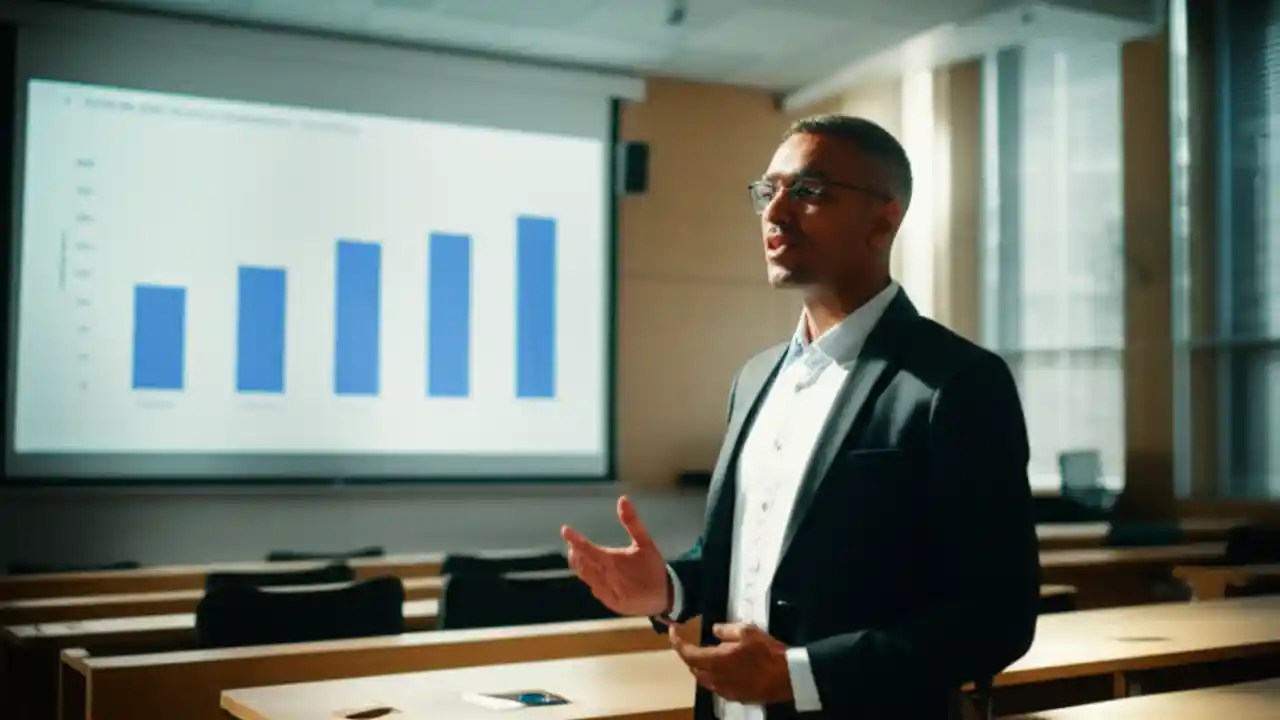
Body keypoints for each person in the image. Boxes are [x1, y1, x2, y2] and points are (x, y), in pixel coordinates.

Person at [561, 114, 1040, 719]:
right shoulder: (755, 377)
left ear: (883, 220)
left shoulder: (957, 380)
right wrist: (669, 587)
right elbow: (753, 557)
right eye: (768, 191)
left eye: (808, 192)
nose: (776, 212)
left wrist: (802, 676)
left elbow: (997, 619)